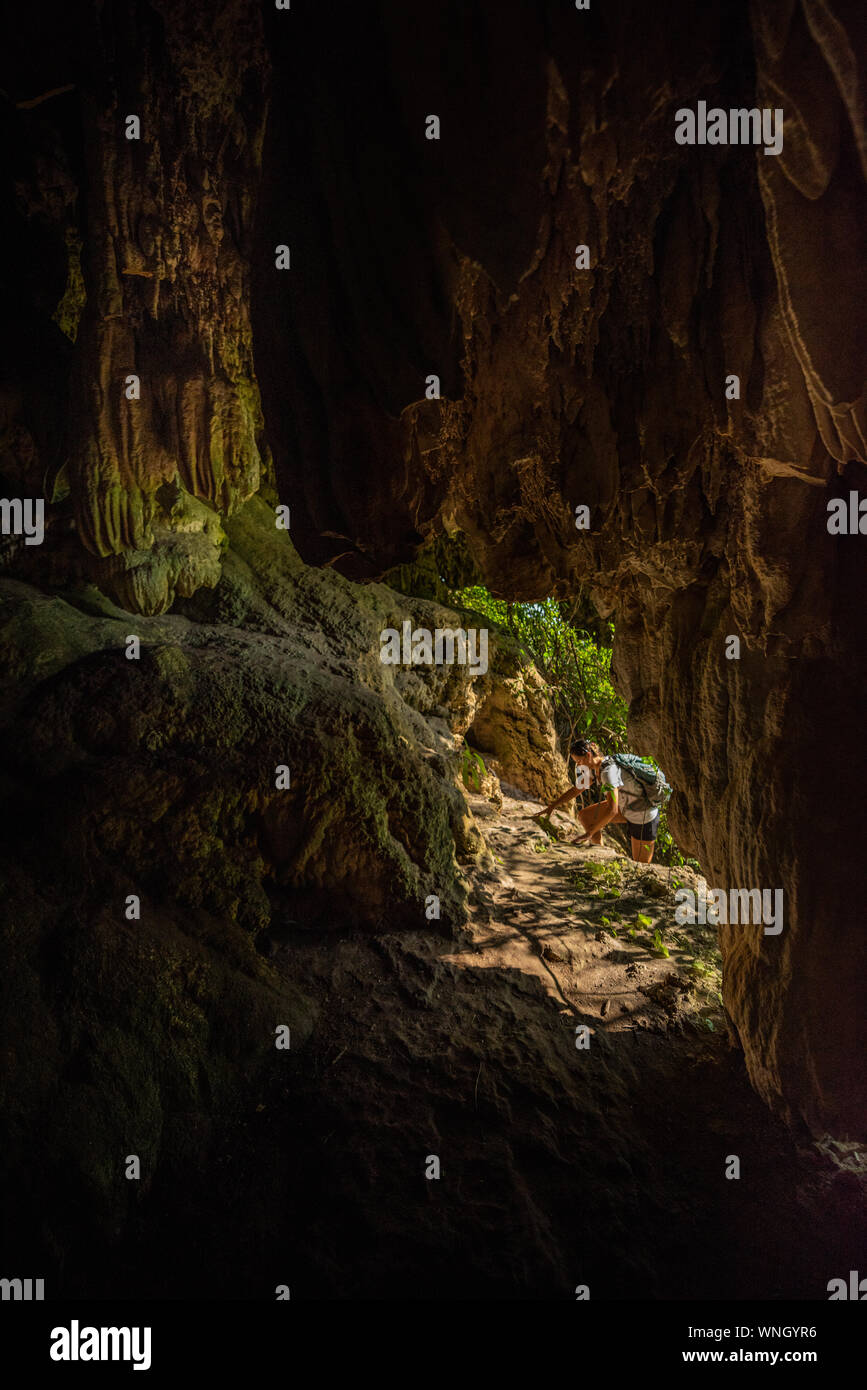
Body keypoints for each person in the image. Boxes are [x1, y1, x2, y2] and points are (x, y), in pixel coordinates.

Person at [537, 739, 660, 864]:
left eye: (579, 761)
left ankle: (600, 852)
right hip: (626, 808)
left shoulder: (608, 773)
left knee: (641, 865)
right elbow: (578, 789)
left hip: (643, 816)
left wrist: (589, 833)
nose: (578, 765)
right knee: (586, 816)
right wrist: (553, 806)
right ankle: (600, 856)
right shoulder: (594, 768)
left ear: (588, 755)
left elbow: (612, 810)